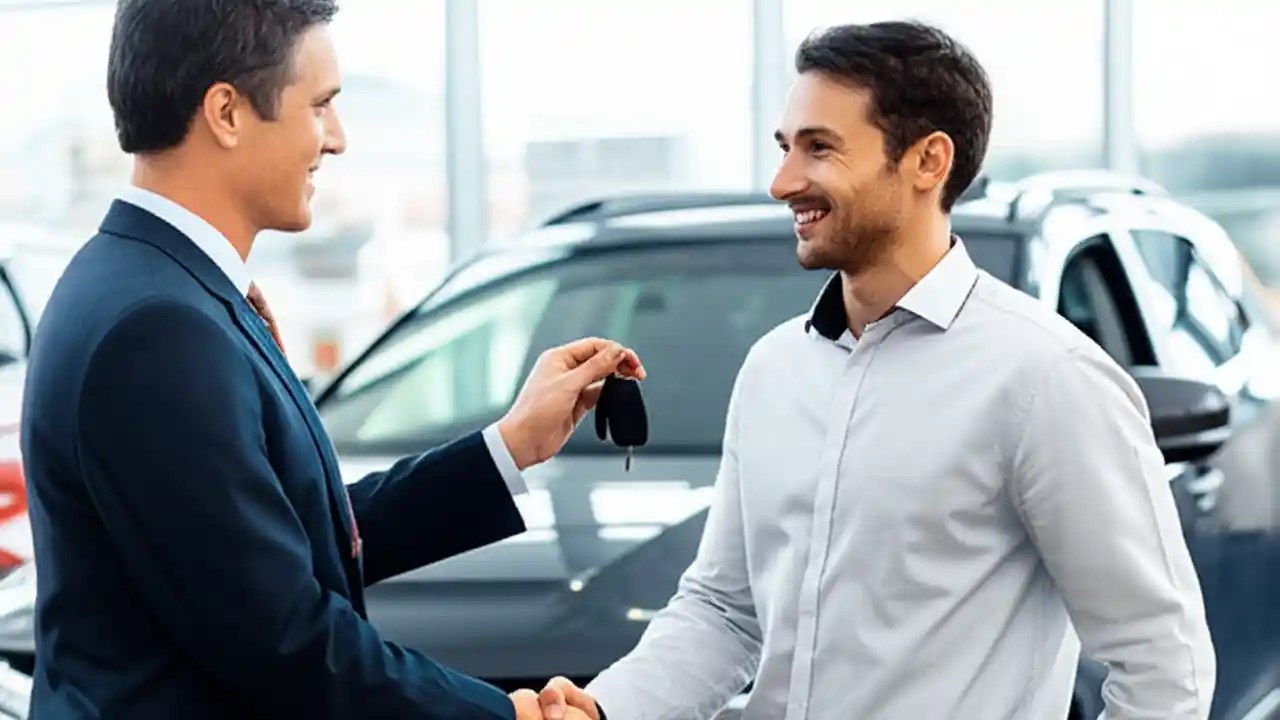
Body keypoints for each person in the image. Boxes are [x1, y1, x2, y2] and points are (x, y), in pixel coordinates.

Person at [538, 20, 1216, 720]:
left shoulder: (1047, 377)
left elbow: (1163, 661)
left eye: (819, 149)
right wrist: (603, 709)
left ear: (928, 162)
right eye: (785, 148)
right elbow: (725, 611)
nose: (782, 182)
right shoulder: (774, 369)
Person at [20, 2, 639, 718]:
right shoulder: (159, 328)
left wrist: (507, 447)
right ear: (226, 112)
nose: (337, 140)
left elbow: (284, 540)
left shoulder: (142, 283)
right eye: (320, 106)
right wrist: (509, 716)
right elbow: (283, 639)